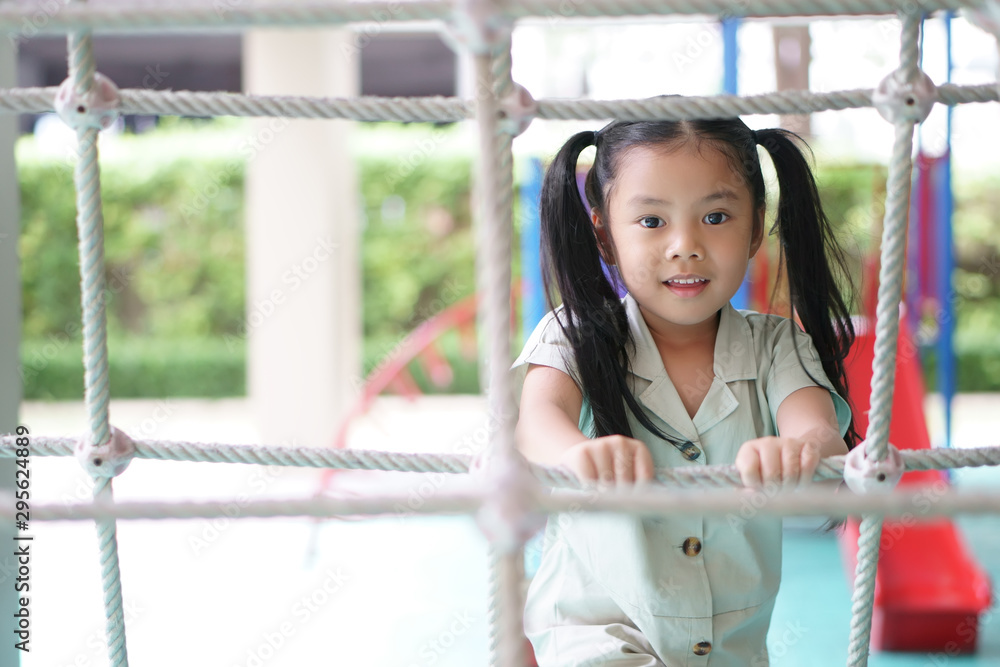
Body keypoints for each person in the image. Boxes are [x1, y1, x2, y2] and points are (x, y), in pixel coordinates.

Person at [512, 117, 860, 666]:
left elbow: (817, 429)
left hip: (729, 649)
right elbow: (536, 421)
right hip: (597, 630)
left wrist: (801, 448)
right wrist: (578, 454)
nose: (685, 246)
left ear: (753, 229)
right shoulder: (574, 332)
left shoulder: (776, 345)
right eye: (651, 220)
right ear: (604, 232)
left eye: (716, 217)